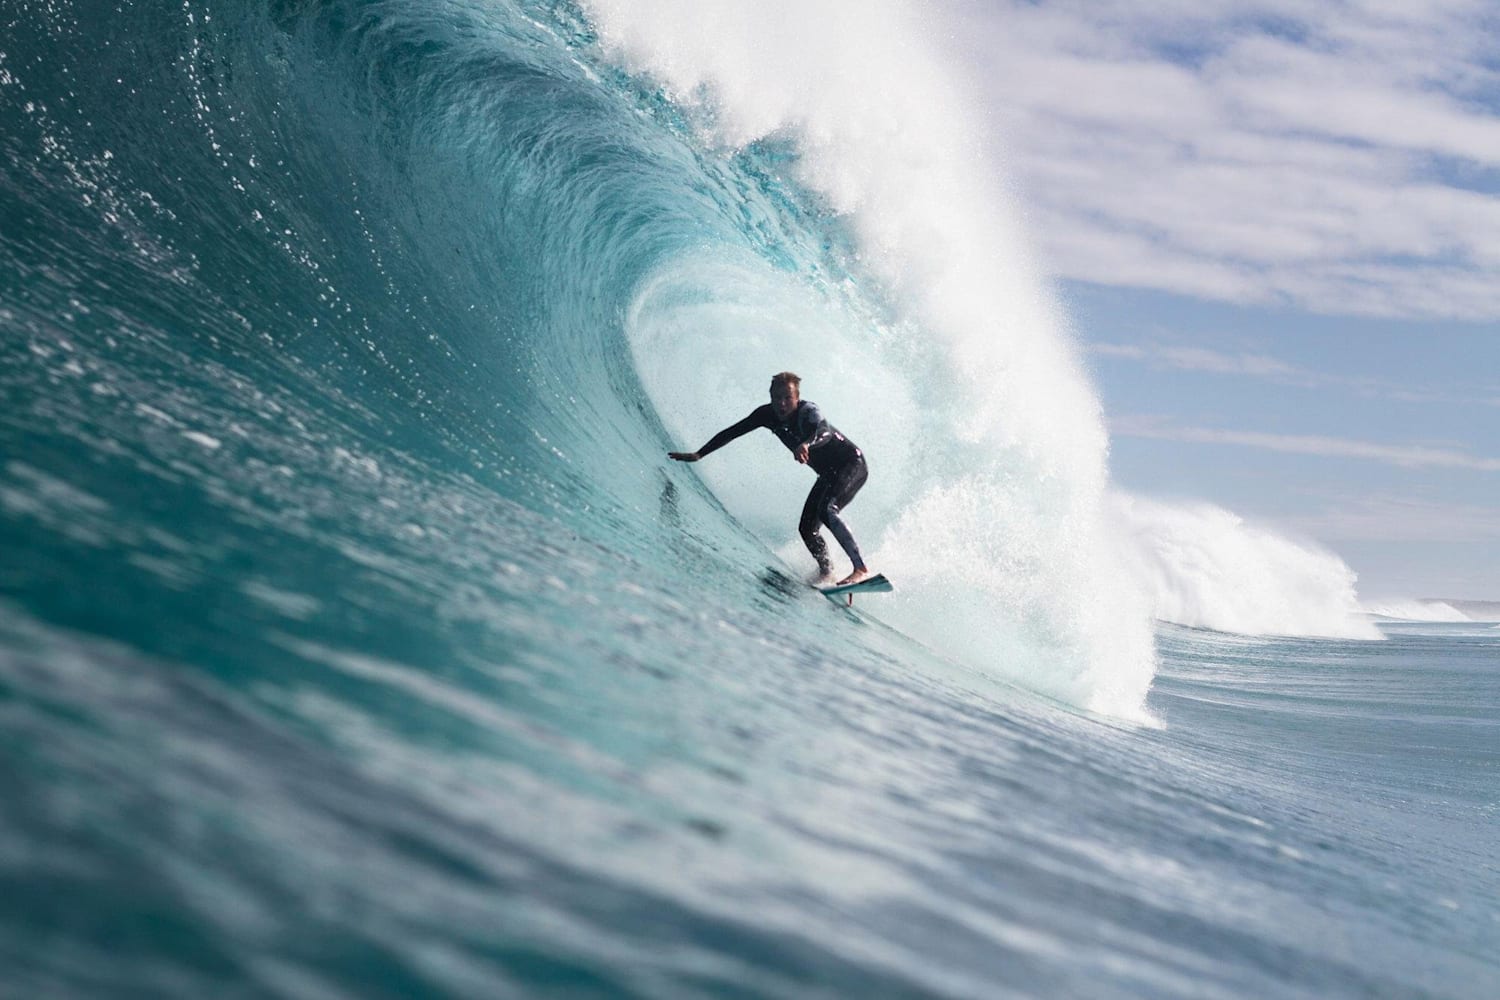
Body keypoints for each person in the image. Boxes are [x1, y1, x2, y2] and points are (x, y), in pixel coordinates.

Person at [669, 372, 873, 586]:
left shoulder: (809, 412)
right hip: (829, 473)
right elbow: (733, 432)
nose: (781, 404)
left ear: (797, 398)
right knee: (807, 528)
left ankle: (860, 568)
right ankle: (827, 572)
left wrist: (806, 444)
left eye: (787, 398)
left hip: (851, 464)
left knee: (827, 509)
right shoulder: (766, 415)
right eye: (776, 398)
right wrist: (699, 454)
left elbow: (824, 432)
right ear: (770, 397)